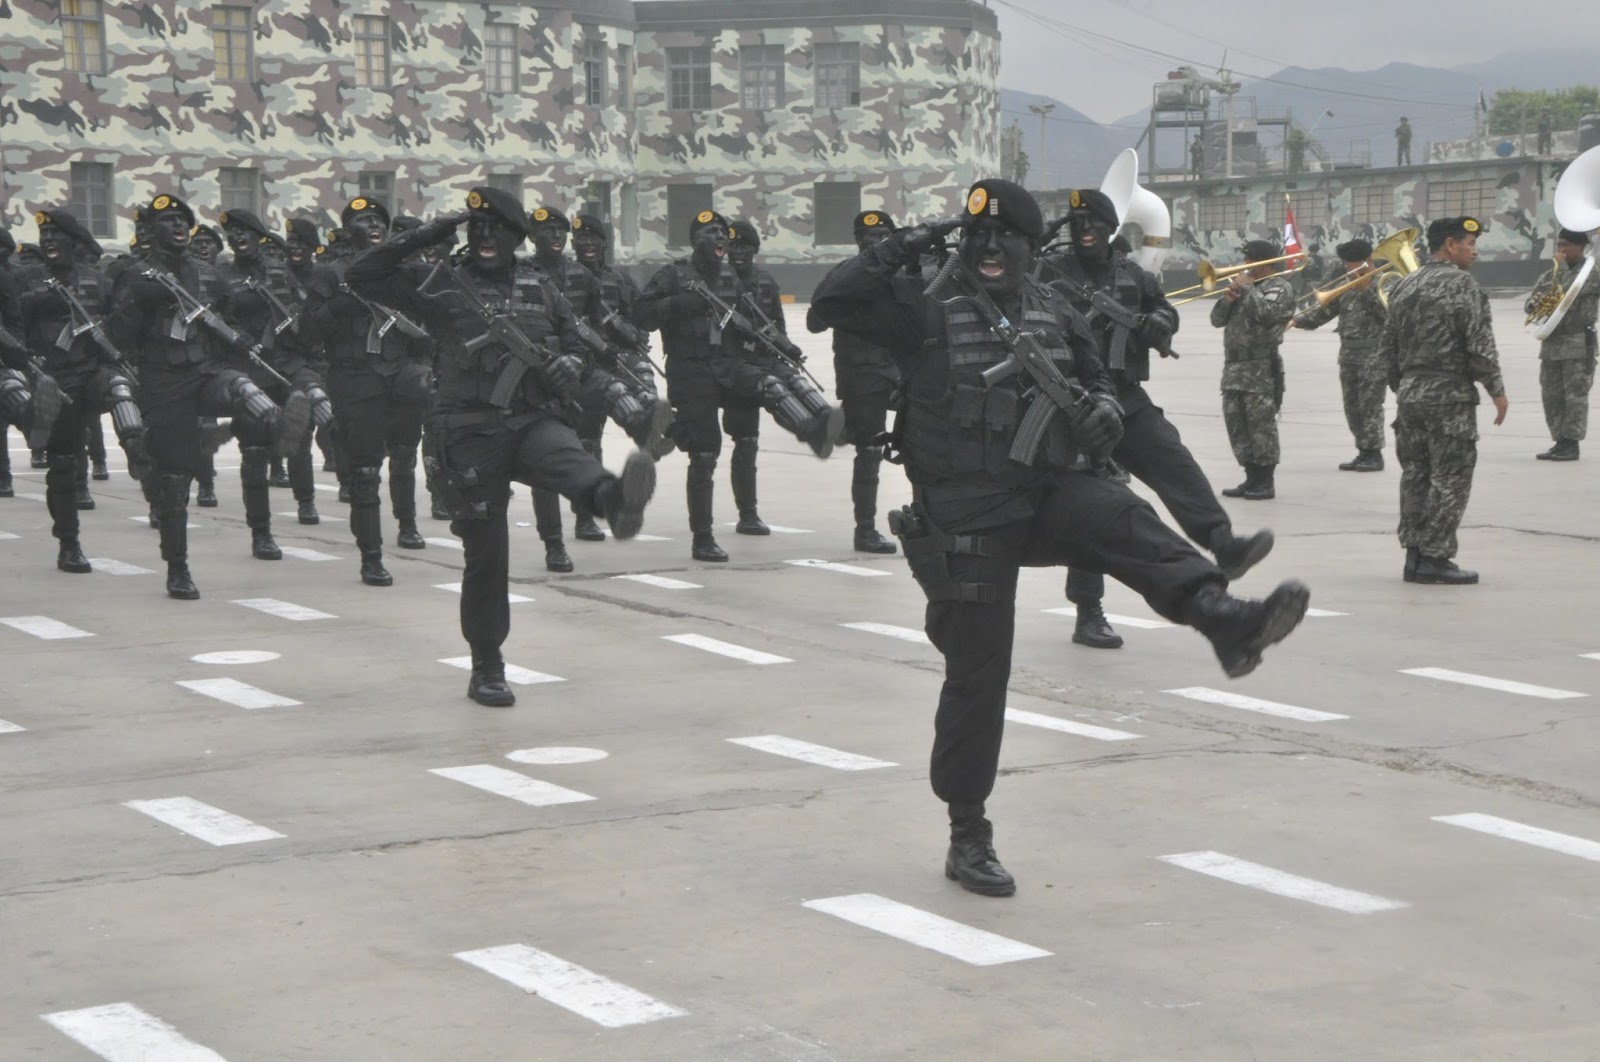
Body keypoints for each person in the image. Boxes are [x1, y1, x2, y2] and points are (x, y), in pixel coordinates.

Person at [811, 178, 1311, 898]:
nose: (989, 249)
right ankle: (968, 831)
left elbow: (1096, 374)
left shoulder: (1050, 304)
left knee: (1121, 513)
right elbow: (830, 305)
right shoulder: (921, 306)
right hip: (965, 518)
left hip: (1042, 493)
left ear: (1028, 246)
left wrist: (1103, 406)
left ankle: (1222, 617)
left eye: (1004, 238)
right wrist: (908, 242)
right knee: (979, 673)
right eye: (976, 237)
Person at [344, 187, 656, 707]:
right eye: (477, 227)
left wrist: (571, 362)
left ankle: (613, 500)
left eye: (497, 228)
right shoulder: (438, 282)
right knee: (487, 557)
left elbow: (576, 341)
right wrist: (431, 232)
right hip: (467, 432)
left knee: (568, 455)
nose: (485, 236)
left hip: (530, 419)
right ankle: (487, 665)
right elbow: (361, 274)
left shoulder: (542, 285)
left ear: (516, 236)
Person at [1037, 189, 1273, 650]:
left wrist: (1158, 323)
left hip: (1125, 395)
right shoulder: (1048, 270)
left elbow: (1164, 310)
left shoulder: (1133, 275)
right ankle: (1089, 611)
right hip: (1073, 401)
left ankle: (1222, 542)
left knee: (1171, 457)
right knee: (1093, 501)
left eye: (1094, 223)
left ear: (1112, 229)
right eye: (1077, 223)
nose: (1085, 231)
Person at [105, 194, 309, 599]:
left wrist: (239, 338)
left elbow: (227, 320)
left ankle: (279, 427)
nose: (178, 226)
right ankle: (177, 568)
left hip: (206, 371)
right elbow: (118, 336)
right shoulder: (136, 276)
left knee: (242, 386)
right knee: (175, 480)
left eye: (183, 220)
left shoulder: (209, 275)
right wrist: (136, 302)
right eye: (168, 221)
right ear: (151, 231)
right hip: (164, 382)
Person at [636, 210, 842, 563]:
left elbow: (755, 320)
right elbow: (641, 315)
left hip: (729, 366)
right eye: (710, 232)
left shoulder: (731, 276)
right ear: (694, 240)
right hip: (691, 372)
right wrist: (677, 304)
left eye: (722, 232)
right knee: (704, 453)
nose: (720, 237)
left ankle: (813, 431)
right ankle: (703, 538)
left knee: (769, 387)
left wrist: (780, 345)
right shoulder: (673, 275)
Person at [6, 208, 150, 573]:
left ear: (74, 242)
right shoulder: (24, 279)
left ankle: (135, 447)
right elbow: (11, 323)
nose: (49, 240)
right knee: (63, 464)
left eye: (56, 235)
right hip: (52, 378)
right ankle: (69, 544)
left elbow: (120, 325)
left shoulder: (97, 279)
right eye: (45, 236)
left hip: (92, 370)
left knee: (119, 388)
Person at [301, 196, 435, 587]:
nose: (373, 224)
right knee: (364, 470)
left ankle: (408, 524)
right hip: (355, 377)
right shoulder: (330, 274)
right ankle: (371, 557)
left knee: (405, 454)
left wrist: (424, 356)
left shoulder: (405, 271)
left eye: (378, 219)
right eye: (362, 220)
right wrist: (334, 309)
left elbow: (432, 320)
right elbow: (306, 333)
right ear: (348, 230)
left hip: (402, 373)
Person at [1380, 216, 1507, 584]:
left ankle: (1414, 555)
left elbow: (1387, 347)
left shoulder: (1404, 284)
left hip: (1411, 397)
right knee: (1450, 479)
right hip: (1449, 397)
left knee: (1416, 476)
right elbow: (1480, 345)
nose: (1475, 251)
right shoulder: (1463, 284)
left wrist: (1405, 387)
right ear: (1450, 245)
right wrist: (1497, 391)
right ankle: (1435, 558)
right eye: (1470, 244)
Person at [807, 209, 905, 554]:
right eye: (868, 238)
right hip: (862, 376)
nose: (875, 243)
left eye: (882, 236)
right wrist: (845, 297)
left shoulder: (906, 273)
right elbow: (814, 323)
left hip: (903, 371)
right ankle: (865, 530)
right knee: (870, 450)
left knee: (924, 443)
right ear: (857, 242)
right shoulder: (844, 274)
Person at [1290, 238, 1389, 471]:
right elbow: (1325, 312)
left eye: (1350, 263)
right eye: (1345, 263)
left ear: (1367, 260)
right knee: (1352, 407)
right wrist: (1296, 320)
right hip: (1348, 355)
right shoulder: (1347, 284)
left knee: (1370, 407)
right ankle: (1362, 451)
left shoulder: (1384, 283)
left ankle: (1374, 454)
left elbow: (1389, 315)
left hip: (1374, 355)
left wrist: (1366, 291)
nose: (1346, 267)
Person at [1212, 240, 1295, 499]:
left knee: (1261, 427)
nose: (1245, 264)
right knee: (1237, 425)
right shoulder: (1245, 288)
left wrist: (1248, 289)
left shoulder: (1279, 287)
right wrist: (1228, 300)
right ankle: (1251, 477)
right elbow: (1216, 320)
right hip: (1234, 368)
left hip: (1260, 368)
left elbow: (1267, 315)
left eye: (1250, 259)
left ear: (1263, 262)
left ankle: (1265, 481)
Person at [724, 219, 788, 537]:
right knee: (732, 443)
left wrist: (783, 353)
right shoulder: (718, 280)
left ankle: (748, 514)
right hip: (727, 369)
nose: (738, 252)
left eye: (744, 246)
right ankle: (742, 514)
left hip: (758, 367)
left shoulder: (765, 281)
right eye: (733, 246)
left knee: (751, 438)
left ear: (754, 249)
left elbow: (778, 325)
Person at [1528, 228, 1598, 461]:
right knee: (1552, 396)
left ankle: (1571, 443)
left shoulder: (1591, 272)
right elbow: (1531, 303)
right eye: (1559, 245)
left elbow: (1570, 289)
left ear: (1581, 247)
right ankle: (1559, 440)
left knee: (1575, 397)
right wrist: (1534, 304)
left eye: (1566, 245)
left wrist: (1561, 270)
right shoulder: (1550, 274)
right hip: (1552, 344)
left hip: (1578, 344)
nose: (1561, 249)